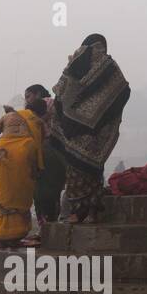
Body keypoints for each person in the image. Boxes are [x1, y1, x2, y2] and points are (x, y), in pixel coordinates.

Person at [50, 34, 130, 223]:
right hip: (86, 135)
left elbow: (60, 96)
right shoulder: (85, 66)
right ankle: (85, 212)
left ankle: (83, 212)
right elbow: (61, 94)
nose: (96, 52)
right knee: (86, 173)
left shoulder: (99, 67)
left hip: (85, 135)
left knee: (83, 173)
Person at [0, 102, 45, 248]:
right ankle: (18, 237)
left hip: (3, 153)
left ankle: (3, 237)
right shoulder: (38, 122)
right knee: (21, 195)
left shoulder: (9, 116)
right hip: (25, 153)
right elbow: (39, 147)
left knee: (4, 196)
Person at [25, 84, 67, 230]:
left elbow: (39, 121)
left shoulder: (48, 102)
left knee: (46, 192)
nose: (27, 100)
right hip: (45, 150)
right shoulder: (33, 109)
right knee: (43, 193)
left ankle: (48, 226)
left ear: (37, 94)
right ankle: (47, 227)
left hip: (51, 148)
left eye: (28, 96)